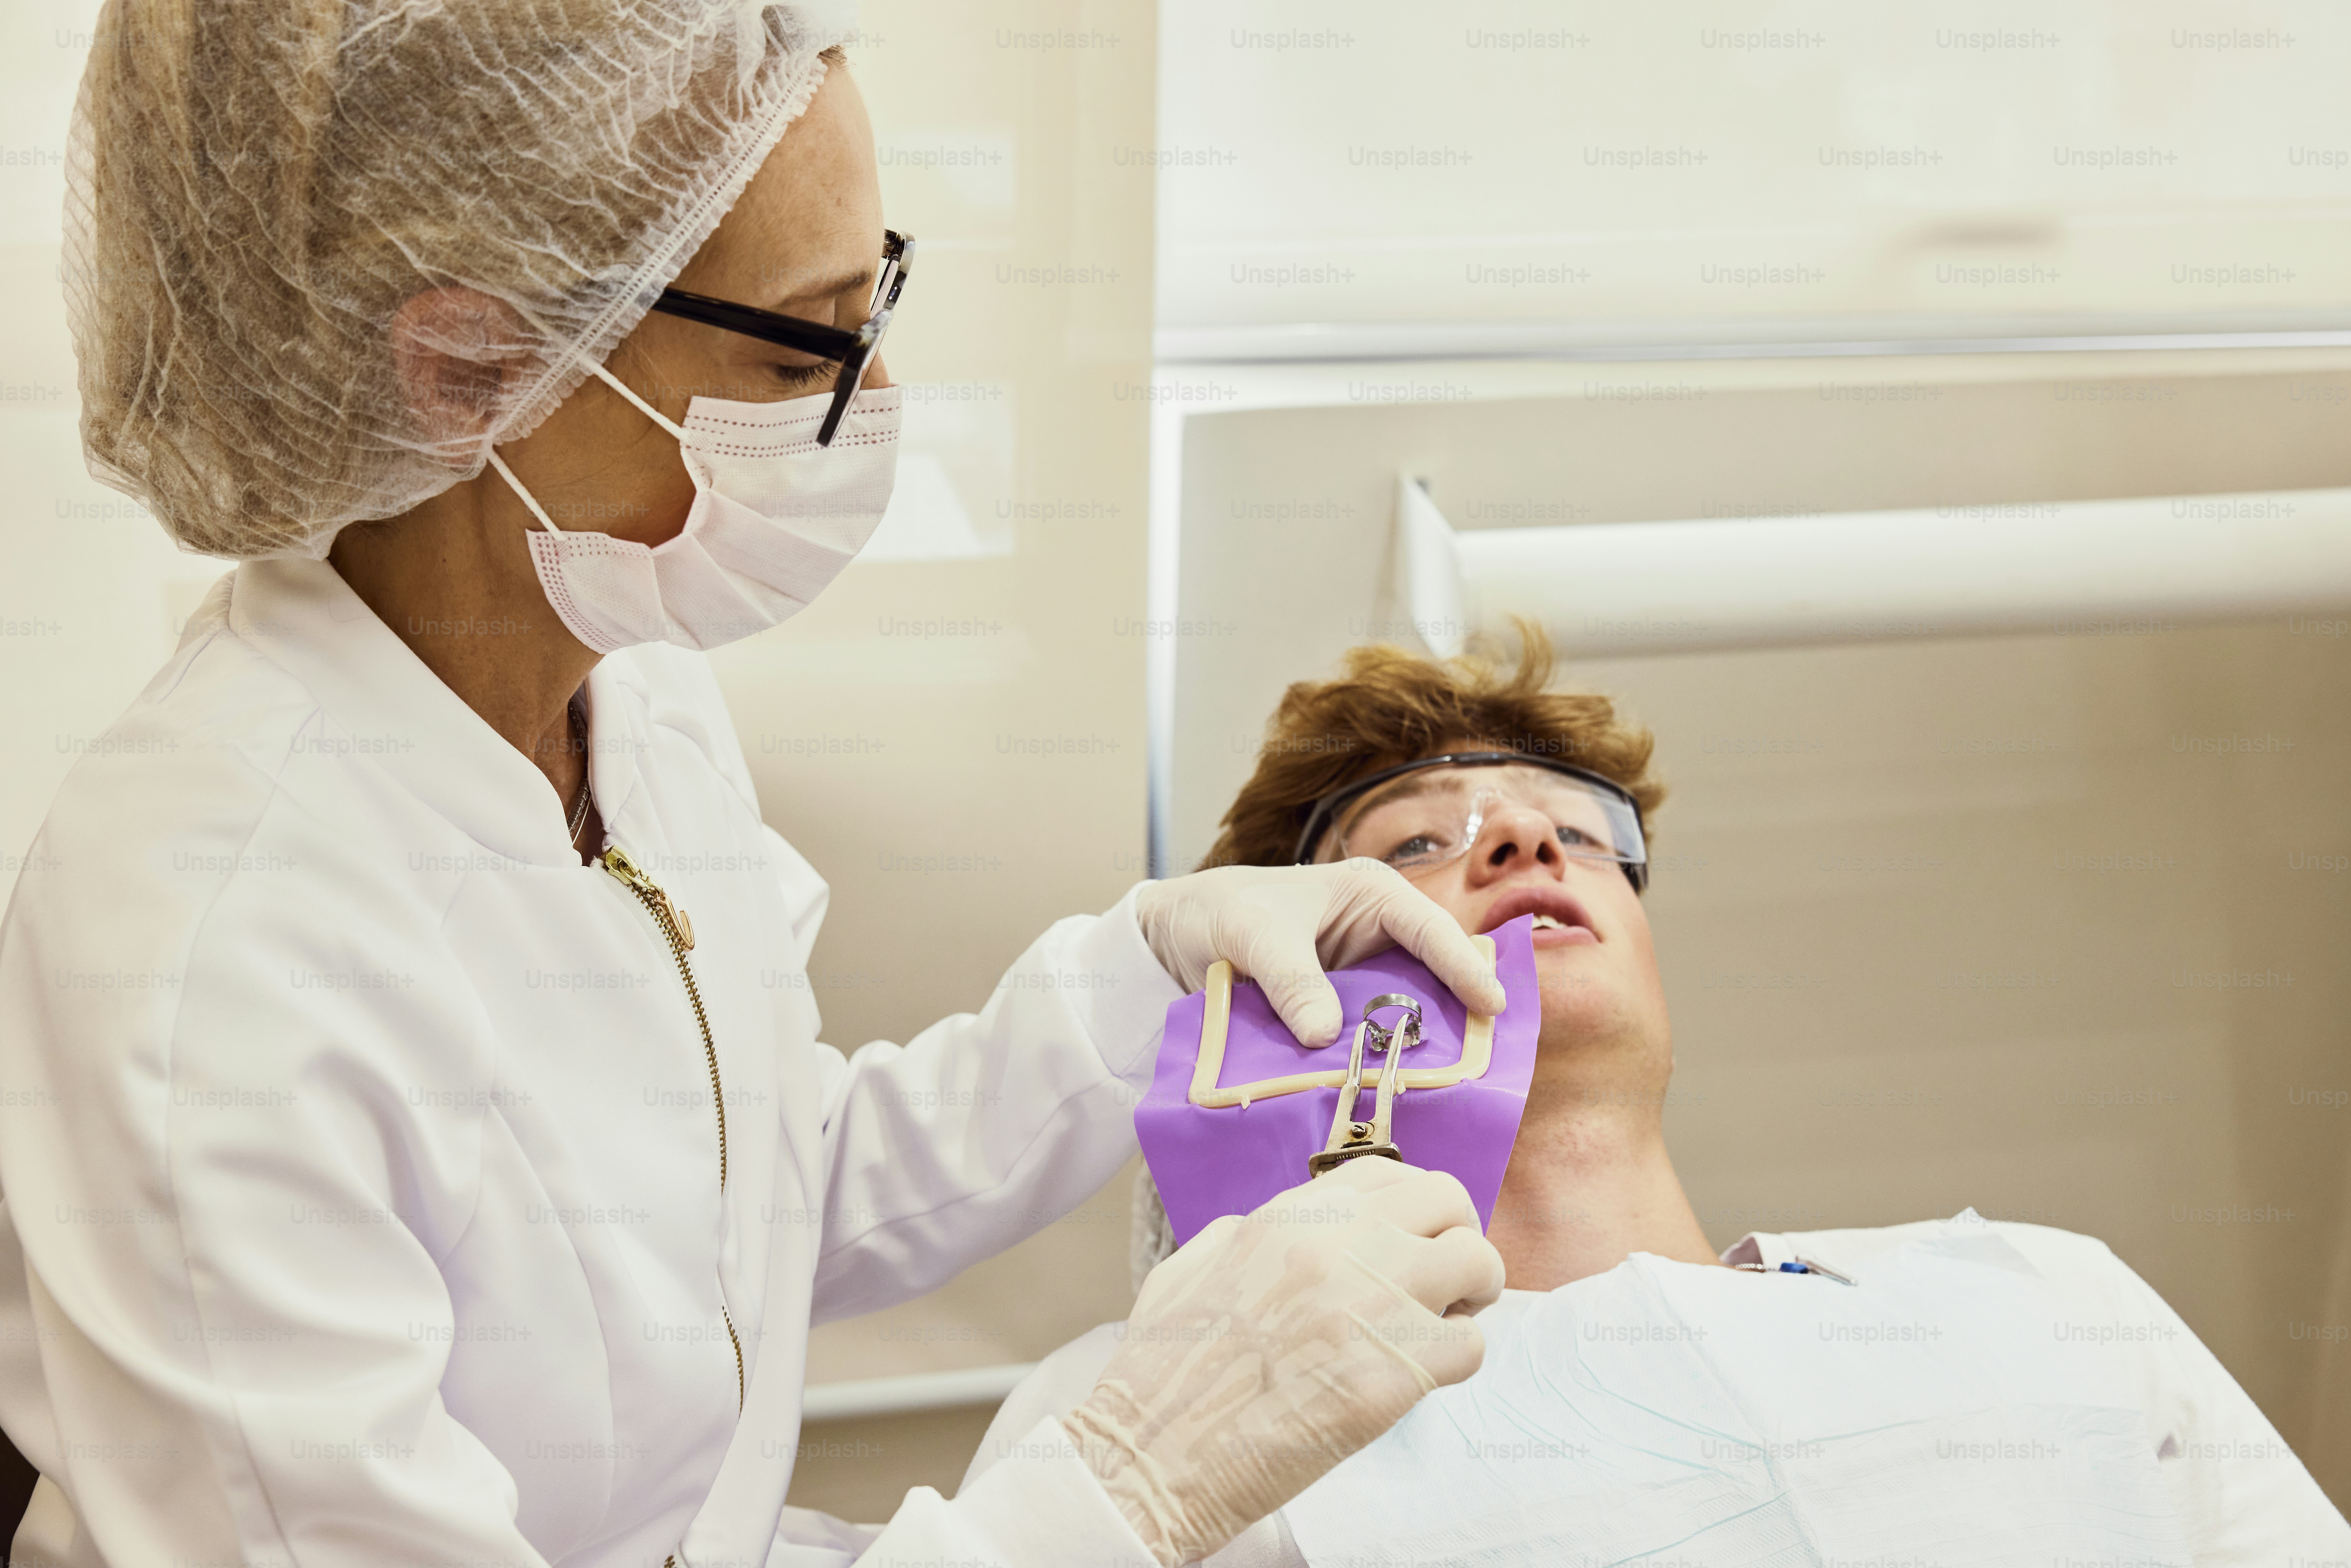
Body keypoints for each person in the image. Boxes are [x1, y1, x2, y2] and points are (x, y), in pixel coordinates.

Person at [0, 8, 1509, 1567]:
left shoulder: (619, 687)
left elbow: (738, 1204)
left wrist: (1142, 978)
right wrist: (1126, 1488)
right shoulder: (211, 969)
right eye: (805, 344)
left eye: (880, 294)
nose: (870, 404)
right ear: (465, 366)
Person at [974, 635, 2351, 1566]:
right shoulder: (1167, 1395)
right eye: (1416, 847)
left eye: (1582, 835)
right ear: (1289, 984)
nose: (1524, 841)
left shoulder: (2047, 1295)